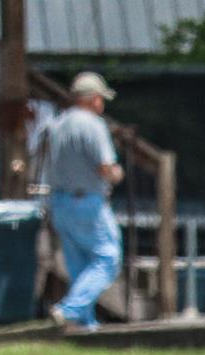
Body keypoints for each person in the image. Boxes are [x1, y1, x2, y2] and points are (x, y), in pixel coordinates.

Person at [40, 72, 124, 330]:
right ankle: (69, 309)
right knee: (108, 258)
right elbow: (105, 167)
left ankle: (85, 326)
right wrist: (117, 174)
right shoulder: (93, 125)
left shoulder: (58, 124)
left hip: (60, 202)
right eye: (101, 98)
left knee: (78, 266)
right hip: (87, 202)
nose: (102, 104)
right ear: (93, 98)